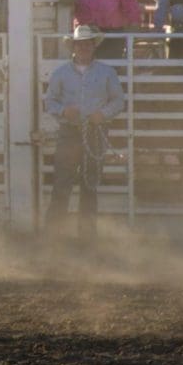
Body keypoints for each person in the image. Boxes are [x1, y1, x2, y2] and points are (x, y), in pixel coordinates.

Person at [43, 25, 125, 242]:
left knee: (90, 186)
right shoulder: (60, 73)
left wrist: (102, 114)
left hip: (95, 132)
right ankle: (53, 237)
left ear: (93, 46)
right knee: (62, 183)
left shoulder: (107, 73)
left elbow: (118, 101)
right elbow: (50, 102)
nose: (84, 48)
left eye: (87, 44)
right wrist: (64, 111)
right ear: (73, 47)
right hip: (69, 132)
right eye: (80, 44)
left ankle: (87, 238)